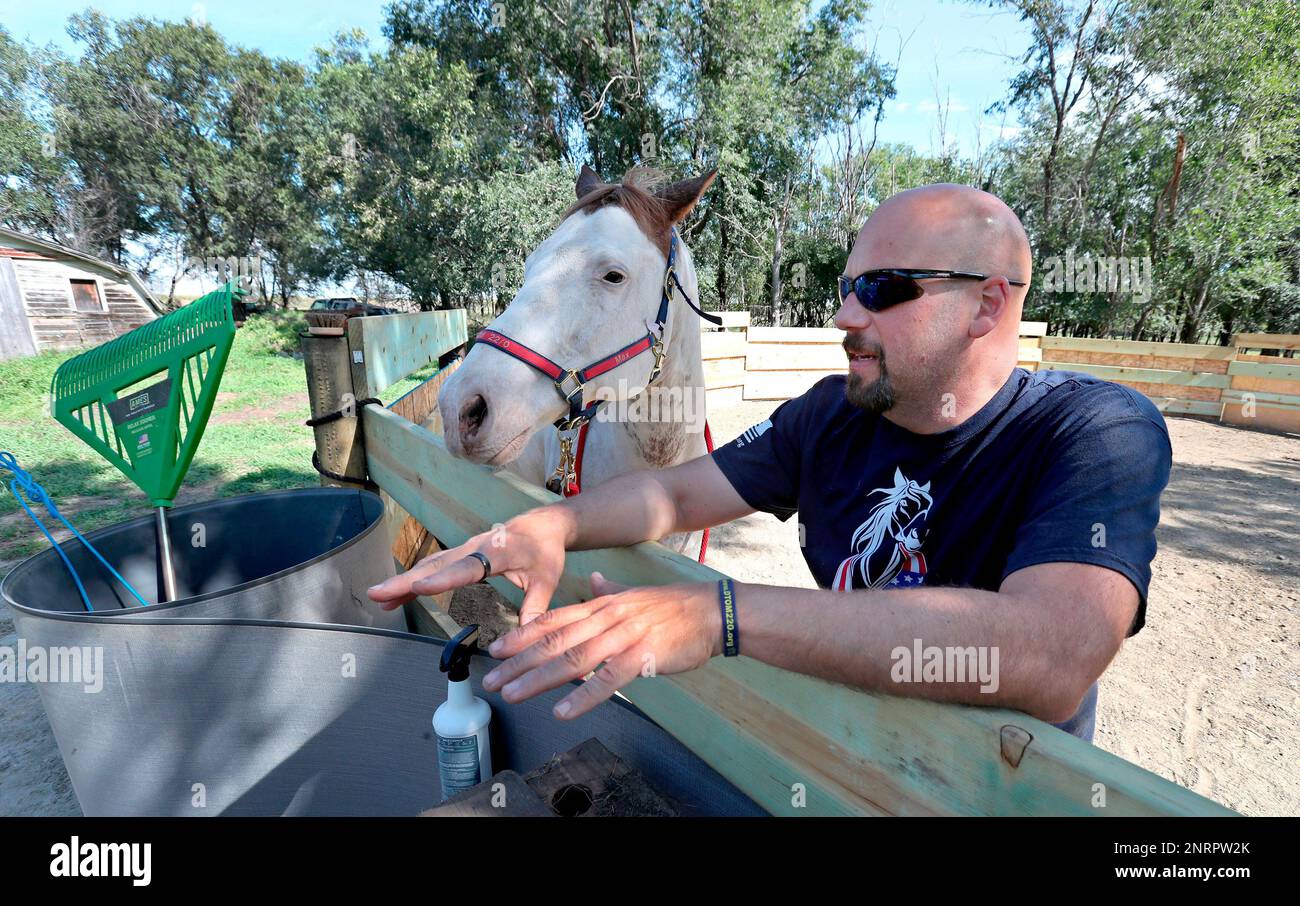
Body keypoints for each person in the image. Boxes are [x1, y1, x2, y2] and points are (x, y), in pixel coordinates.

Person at [368, 183, 1172, 741]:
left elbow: (1052, 652)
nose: (845, 314)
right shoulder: (831, 415)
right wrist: (553, 523)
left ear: (989, 305)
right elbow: (677, 495)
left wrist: (713, 616)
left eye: (885, 289)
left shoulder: (1095, 429)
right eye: (849, 284)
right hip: (845, 753)